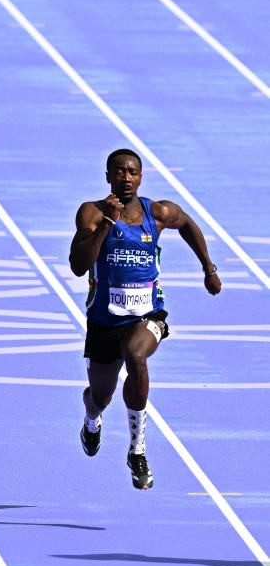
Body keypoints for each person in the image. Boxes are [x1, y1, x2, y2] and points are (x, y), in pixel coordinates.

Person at [69, 148, 220, 489]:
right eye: (119, 172)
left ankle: (137, 451)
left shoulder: (158, 212)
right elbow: (79, 265)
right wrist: (107, 223)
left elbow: (187, 223)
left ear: (140, 176)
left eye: (132, 172)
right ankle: (91, 418)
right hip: (105, 321)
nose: (126, 177)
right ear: (108, 176)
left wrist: (208, 268)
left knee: (137, 356)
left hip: (148, 314)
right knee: (101, 396)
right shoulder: (92, 213)